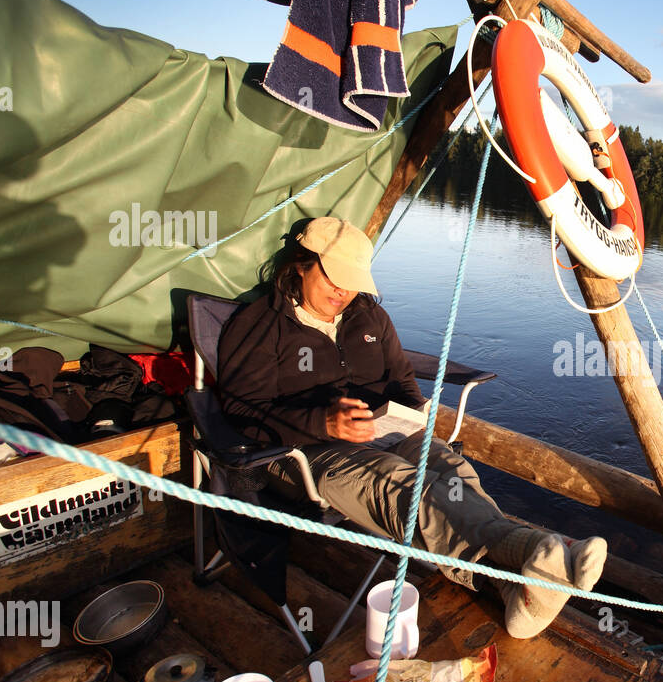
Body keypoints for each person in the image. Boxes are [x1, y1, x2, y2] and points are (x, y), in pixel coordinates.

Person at [216, 216, 606, 639]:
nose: (343, 293)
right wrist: (322, 422)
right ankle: (538, 547)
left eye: (352, 282)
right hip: (305, 452)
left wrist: (411, 410)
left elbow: (400, 376)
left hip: (387, 430)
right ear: (301, 264)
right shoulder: (261, 324)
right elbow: (241, 411)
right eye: (333, 279)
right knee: (405, 487)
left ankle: (512, 586)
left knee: (456, 474)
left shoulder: (369, 317)